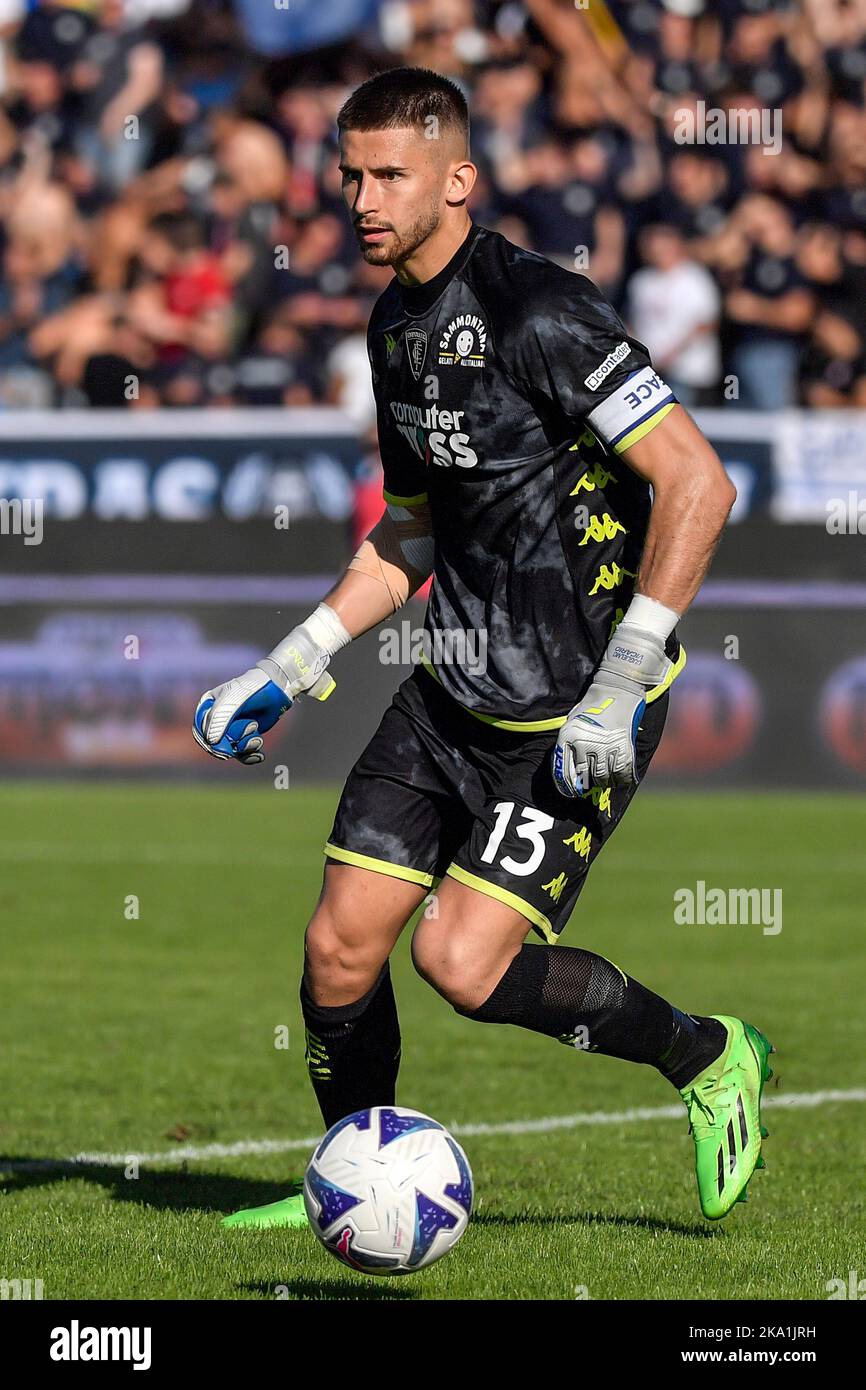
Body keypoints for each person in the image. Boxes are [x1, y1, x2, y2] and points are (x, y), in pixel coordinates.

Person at [193, 67, 773, 1235]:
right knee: (337, 953)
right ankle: (352, 1178)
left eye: (388, 175)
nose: (360, 196)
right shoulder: (391, 324)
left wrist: (620, 685)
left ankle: (707, 1053)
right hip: (451, 688)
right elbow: (408, 528)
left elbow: (695, 483)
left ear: (457, 181)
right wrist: (287, 662)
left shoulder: (537, 310)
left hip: (572, 710)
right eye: (349, 173)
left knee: (459, 964)